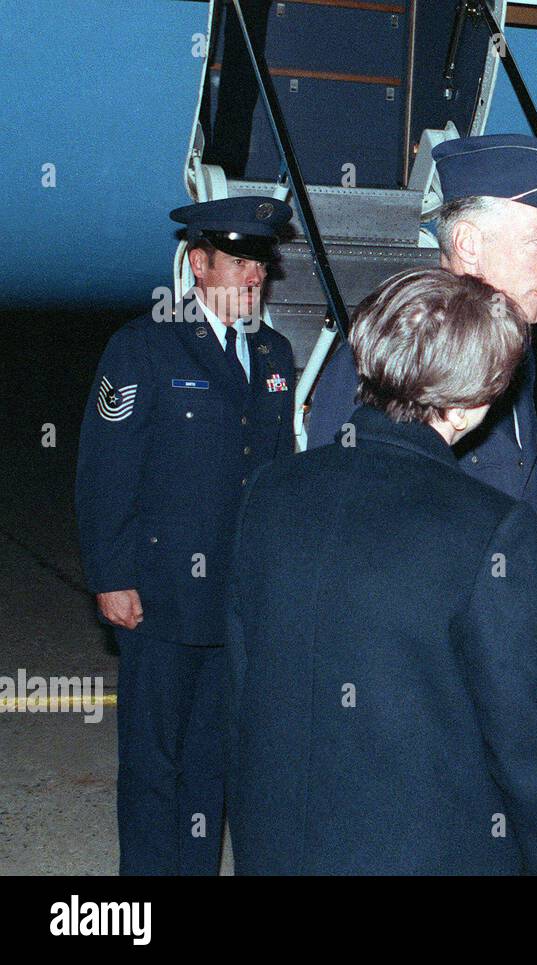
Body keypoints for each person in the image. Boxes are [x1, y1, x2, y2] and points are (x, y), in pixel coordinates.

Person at [225, 267, 537, 874]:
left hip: (277, 839)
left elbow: (243, 675)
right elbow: (525, 746)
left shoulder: (272, 488)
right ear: (470, 405)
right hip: (425, 851)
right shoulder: (491, 528)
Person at [75, 195, 297, 874]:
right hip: (161, 594)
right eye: (237, 260)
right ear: (199, 264)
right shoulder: (144, 344)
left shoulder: (274, 352)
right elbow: (105, 470)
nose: (253, 276)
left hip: (236, 599)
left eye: (259, 262)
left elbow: (276, 474)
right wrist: (111, 576)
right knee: (153, 762)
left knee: (213, 762)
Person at [305, 133, 537, 568]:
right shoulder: (388, 356)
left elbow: (516, 511)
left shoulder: (512, 349)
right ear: (469, 245)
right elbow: (333, 521)